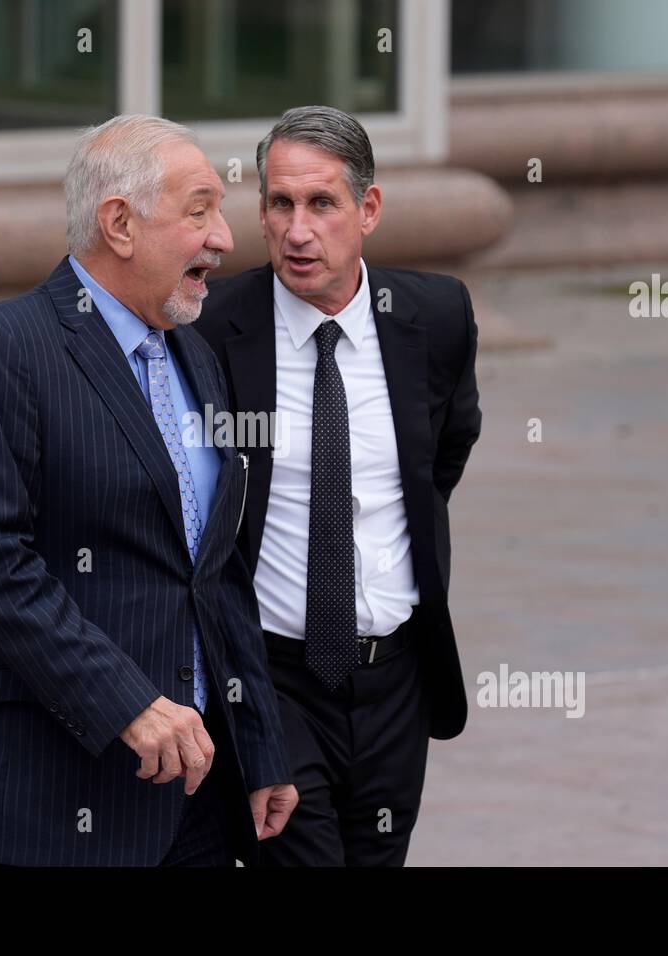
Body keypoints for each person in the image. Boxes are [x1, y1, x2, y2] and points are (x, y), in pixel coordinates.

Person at [0, 114, 297, 867]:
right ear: (119, 223)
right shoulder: (2, 349)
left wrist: (257, 743)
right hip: (49, 804)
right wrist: (126, 701)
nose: (223, 238)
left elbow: (213, 572)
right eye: (200, 211)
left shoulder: (195, 352)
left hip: (194, 798)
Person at [197, 105, 482, 866]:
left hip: (398, 679)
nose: (297, 230)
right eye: (280, 204)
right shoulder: (212, 330)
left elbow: (441, 459)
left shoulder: (437, 316)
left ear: (368, 209)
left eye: (321, 203)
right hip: (273, 680)